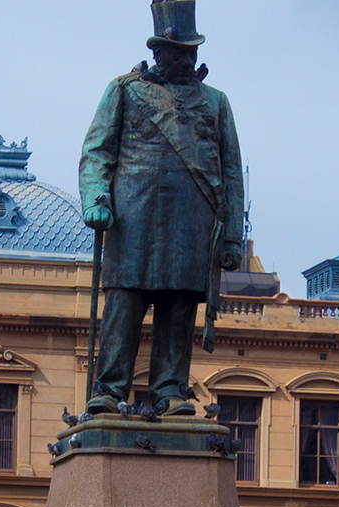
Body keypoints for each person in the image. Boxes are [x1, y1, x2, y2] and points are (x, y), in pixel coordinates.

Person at [79, 0, 246, 416]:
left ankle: (170, 390)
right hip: (133, 220)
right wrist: (97, 198)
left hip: (191, 223)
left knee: (178, 307)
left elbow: (231, 172)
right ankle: (110, 389)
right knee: (123, 306)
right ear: (157, 52)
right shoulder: (123, 90)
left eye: (188, 52)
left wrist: (231, 238)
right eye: (174, 52)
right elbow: (96, 152)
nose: (181, 59)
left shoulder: (216, 102)